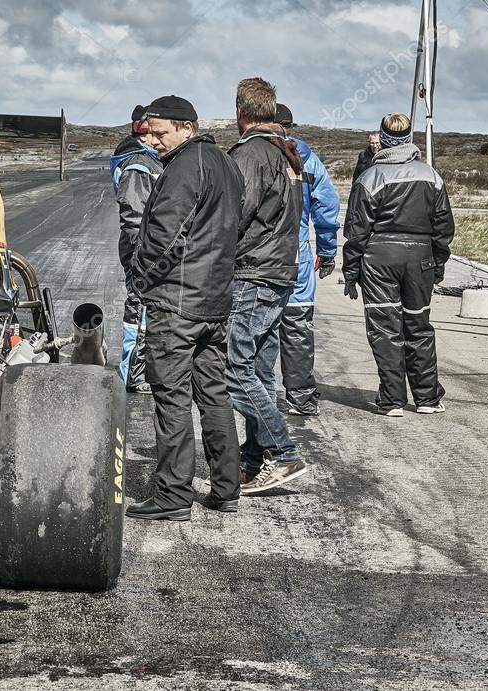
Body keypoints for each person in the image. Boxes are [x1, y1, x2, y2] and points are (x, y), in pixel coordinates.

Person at [125, 95, 244, 521]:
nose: (153, 140)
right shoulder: (225, 163)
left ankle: (173, 495)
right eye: (149, 133)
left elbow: (164, 236)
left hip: (177, 305)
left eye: (161, 133)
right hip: (214, 301)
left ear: (187, 128)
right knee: (214, 394)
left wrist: (139, 279)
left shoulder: (182, 167)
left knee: (171, 398)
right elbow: (234, 227)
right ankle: (226, 488)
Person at [225, 78, 308, 495]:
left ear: (240, 113)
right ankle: (253, 460)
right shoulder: (286, 152)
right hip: (280, 271)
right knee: (259, 370)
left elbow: (234, 215)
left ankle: (283, 450)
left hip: (253, 272)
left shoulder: (251, 154)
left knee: (233, 369)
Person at [343, 113, 455, 416]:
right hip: (420, 259)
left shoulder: (370, 177)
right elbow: (443, 227)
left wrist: (351, 272)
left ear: (383, 140)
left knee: (385, 328)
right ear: (408, 139)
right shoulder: (430, 175)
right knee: (418, 326)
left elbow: (356, 232)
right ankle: (427, 398)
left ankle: (392, 400)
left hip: (379, 259)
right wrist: (438, 263)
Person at [274, 104, 340, 416]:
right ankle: (299, 397)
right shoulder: (307, 158)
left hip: (256, 255)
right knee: (297, 324)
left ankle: (253, 394)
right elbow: (326, 207)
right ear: (291, 124)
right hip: (297, 254)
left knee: (256, 325)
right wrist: (327, 251)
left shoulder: (252, 154)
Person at [110, 105, 163, 394]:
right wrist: (146, 253)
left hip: (149, 246)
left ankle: (144, 367)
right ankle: (132, 371)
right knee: (139, 305)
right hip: (142, 248)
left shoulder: (149, 161)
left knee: (148, 306)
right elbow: (133, 218)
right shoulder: (138, 165)